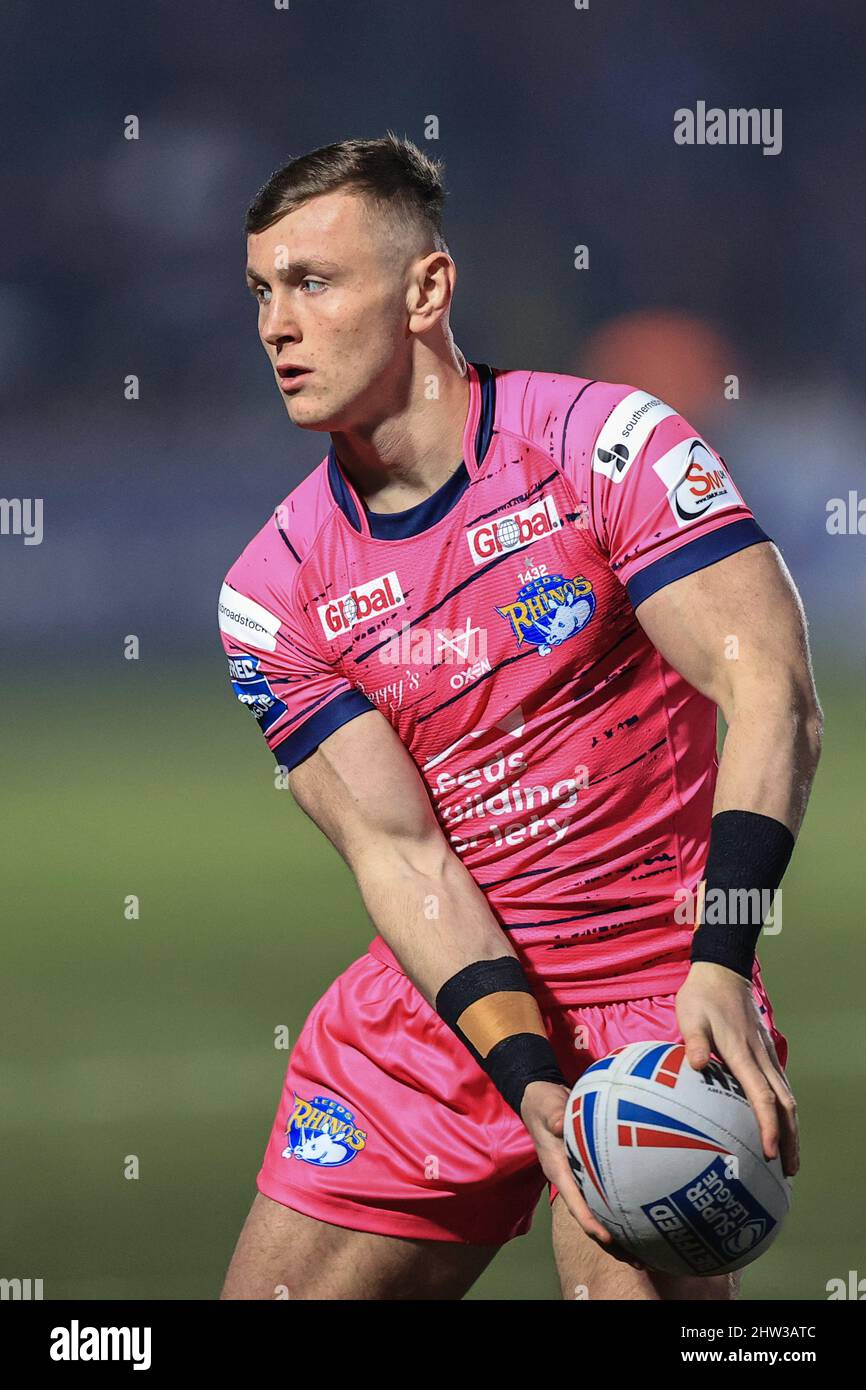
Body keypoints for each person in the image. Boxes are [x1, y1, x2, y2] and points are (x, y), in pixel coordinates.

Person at [217, 134, 822, 1300]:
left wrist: (723, 957)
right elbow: (403, 853)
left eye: (312, 282)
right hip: (442, 1004)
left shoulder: (602, 449)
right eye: (260, 290)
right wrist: (527, 1074)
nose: (274, 327)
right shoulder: (272, 586)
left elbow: (770, 695)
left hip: (663, 994)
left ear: (425, 291)